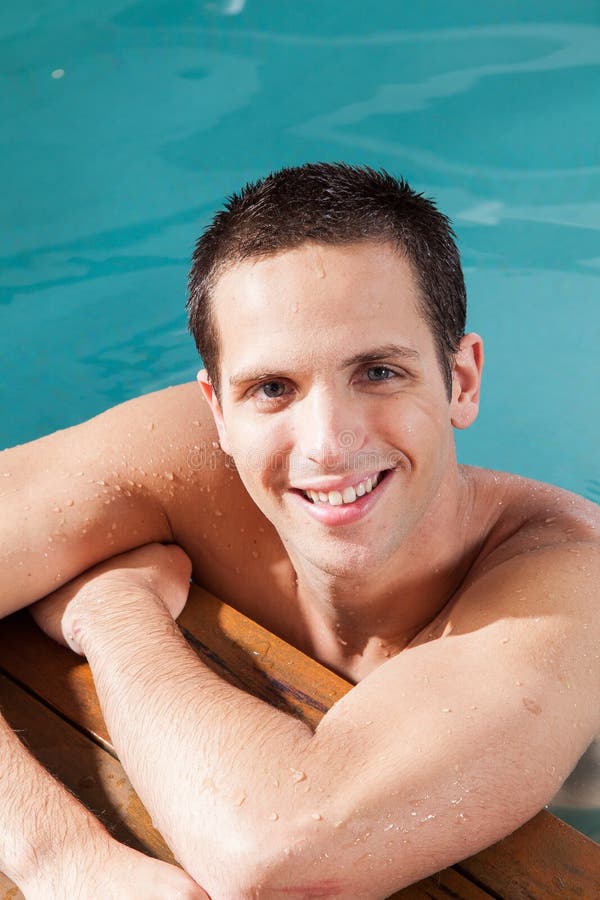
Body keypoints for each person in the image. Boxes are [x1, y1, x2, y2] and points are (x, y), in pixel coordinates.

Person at [1, 163, 598, 899]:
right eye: (273, 388)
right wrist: (57, 856)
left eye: (377, 372)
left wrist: (115, 615)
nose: (326, 444)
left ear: (462, 381)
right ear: (218, 410)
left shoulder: (569, 580)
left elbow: (281, 858)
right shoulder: (181, 460)